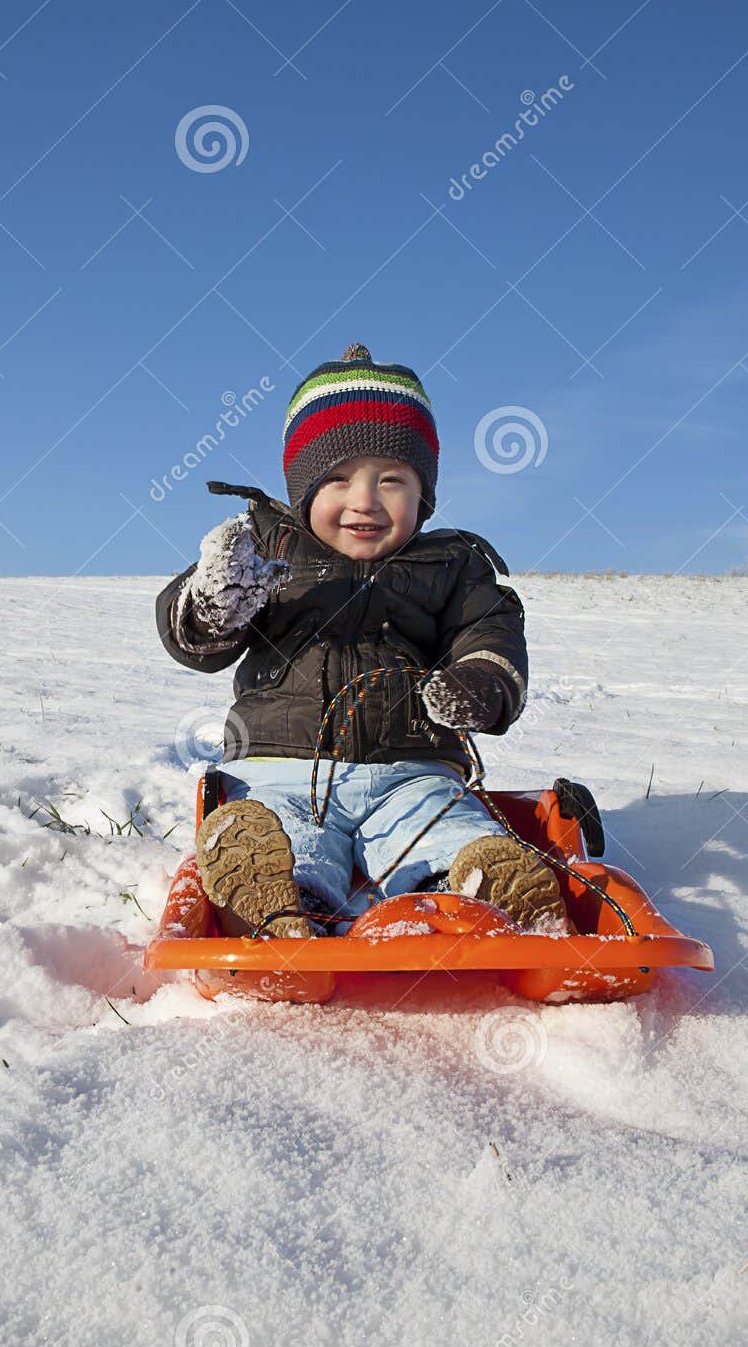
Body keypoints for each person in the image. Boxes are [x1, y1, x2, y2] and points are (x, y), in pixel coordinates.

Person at [155, 343, 571, 939]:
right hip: (281, 766)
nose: (364, 500)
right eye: (338, 478)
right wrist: (214, 604)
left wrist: (480, 680)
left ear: (424, 492)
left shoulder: (451, 564)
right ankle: (271, 897)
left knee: (441, 826)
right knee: (283, 833)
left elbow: (491, 630)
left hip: (415, 770)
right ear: (302, 491)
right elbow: (192, 638)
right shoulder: (265, 549)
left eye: (392, 479)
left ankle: (480, 888)